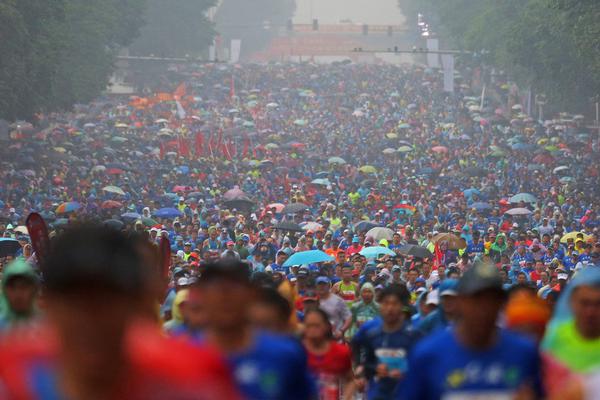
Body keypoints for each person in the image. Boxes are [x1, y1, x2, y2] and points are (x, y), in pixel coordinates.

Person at [0, 224, 240, 399]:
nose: (91, 319)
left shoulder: (194, 381)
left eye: (107, 299)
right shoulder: (9, 377)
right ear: (47, 304)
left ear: (136, 303)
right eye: (77, 299)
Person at [402, 262, 542, 399]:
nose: (484, 307)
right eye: (476, 299)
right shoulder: (428, 354)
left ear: (501, 304)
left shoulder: (524, 353)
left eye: (492, 299)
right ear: (461, 301)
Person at [191, 260, 316, 399]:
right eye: (217, 290)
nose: (225, 298)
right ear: (202, 298)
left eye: (233, 290)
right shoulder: (182, 355)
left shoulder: (285, 354)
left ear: (250, 296)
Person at [351, 284, 420, 399]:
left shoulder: (414, 335)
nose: (390, 308)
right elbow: (362, 353)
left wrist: (405, 373)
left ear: (402, 306)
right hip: (378, 394)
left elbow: (422, 367)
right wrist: (363, 369)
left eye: (394, 304)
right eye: (386, 303)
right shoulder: (372, 333)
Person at [541, 267, 600, 399]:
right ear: (572, 303)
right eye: (585, 303)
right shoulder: (553, 337)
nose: (591, 311)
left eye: (598, 304)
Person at [303, 308, 356, 400]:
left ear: (327, 326)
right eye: (308, 326)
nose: (312, 330)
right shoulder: (296, 351)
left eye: (316, 326)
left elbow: (350, 380)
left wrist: (347, 397)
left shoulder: (341, 352)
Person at [0, 258, 39, 331]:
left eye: (23, 287)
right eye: (12, 288)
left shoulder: (46, 327)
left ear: (33, 289)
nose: (18, 294)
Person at [316, 276, 352, 340]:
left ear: (328, 286)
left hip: (335, 338)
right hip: (319, 338)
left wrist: (341, 331)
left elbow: (348, 317)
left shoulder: (338, 300)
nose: (322, 287)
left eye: (324, 285)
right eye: (319, 285)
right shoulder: (313, 300)